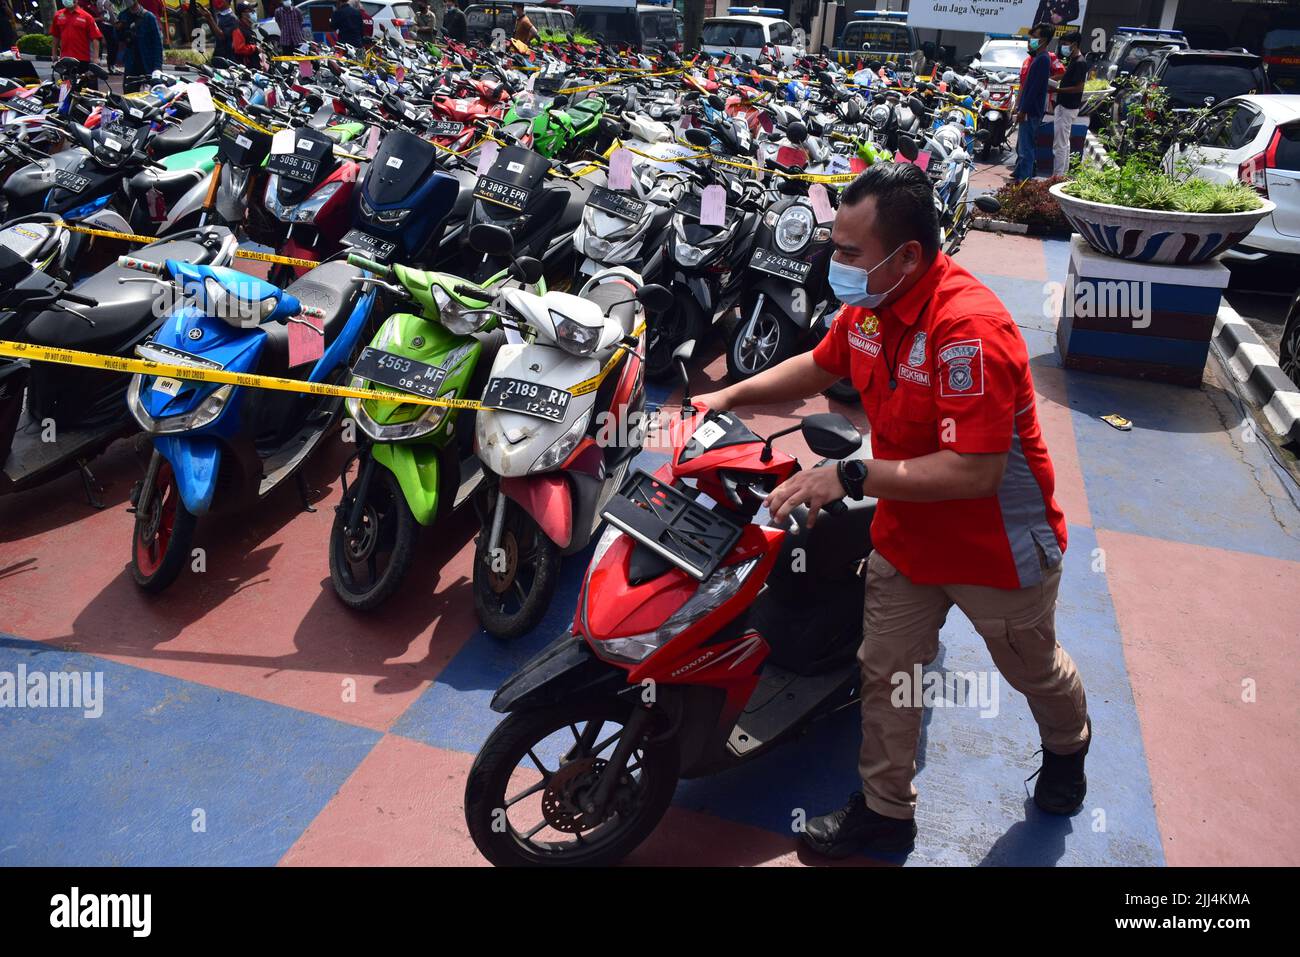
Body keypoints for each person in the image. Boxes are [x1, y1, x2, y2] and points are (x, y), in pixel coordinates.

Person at [694, 163, 1091, 857]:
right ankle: (886, 811)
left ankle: (1069, 743)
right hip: (908, 534)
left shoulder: (969, 331)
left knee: (1031, 669)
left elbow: (975, 471)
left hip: (997, 549)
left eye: (849, 253)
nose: (834, 265)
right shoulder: (870, 310)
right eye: (834, 248)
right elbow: (820, 364)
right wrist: (729, 395)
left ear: (907, 256)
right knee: (887, 671)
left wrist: (849, 473)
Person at [1013, 23, 1054, 182]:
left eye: (1035, 37)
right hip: (1029, 109)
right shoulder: (1038, 58)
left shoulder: (1043, 59)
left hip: (1031, 111)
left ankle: (1024, 182)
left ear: (1043, 39)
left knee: (1026, 150)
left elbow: (1034, 89)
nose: (1031, 40)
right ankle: (1020, 177)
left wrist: (1023, 110)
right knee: (1023, 147)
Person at [1049, 29, 1087, 177]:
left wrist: (1057, 91)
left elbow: (1079, 87)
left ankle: (1057, 177)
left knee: (1059, 144)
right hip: (1065, 106)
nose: (1062, 47)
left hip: (1067, 106)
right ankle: (1061, 174)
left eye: (1065, 44)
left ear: (1075, 44)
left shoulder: (1079, 62)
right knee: (1063, 143)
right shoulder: (1074, 60)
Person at [119, 0, 163, 92]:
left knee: (153, 98)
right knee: (129, 97)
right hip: (131, 66)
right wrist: (119, 29)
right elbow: (118, 39)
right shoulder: (123, 16)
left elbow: (157, 44)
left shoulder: (149, 17)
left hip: (148, 65)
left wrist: (157, 68)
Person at [51, 0, 103, 67]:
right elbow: (56, 36)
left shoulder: (87, 17)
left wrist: (95, 58)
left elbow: (95, 38)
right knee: (67, 77)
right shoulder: (58, 15)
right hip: (65, 57)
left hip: (83, 58)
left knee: (82, 77)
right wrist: (54, 54)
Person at [231, 1, 260, 66]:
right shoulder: (238, 29)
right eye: (250, 11)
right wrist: (255, 48)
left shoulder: (247, 27)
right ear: (242, 14)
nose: (253, 13)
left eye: (253, 10)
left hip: (254, 63)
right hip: (247, 67)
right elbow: (239, 49)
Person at [95, 0, 118, 72]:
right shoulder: (106, 2)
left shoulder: (100, 1)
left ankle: (110, 65)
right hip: (108, 25)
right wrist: (116, 23)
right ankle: (111, 66)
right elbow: (111, 14)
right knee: (112, 46)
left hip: (104, 25)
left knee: (109, 46)